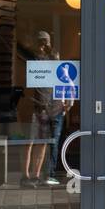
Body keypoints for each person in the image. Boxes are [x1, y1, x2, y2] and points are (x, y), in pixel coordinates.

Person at [22, 30, 64, 187]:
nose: (43, 45)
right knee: (30, 142)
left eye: (45, 42)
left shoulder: (52, 58)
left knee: (43, 142)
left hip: (48, 107)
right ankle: (25, 175)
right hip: (34, 105)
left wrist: (52, 53)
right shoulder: (32, 57)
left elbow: (59, 74)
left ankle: (36, 175)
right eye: (41, 42)